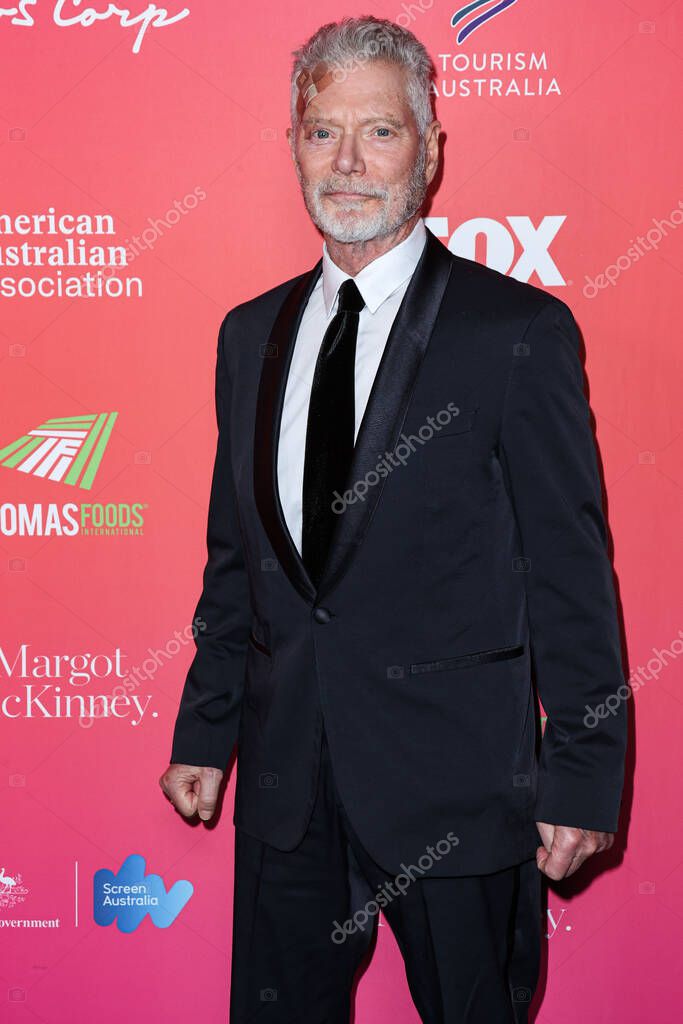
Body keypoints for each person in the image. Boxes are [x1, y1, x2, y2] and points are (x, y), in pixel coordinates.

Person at [160, 16, 627, 1023]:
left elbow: (569, 574)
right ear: (291, 143)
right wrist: (206, 729)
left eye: (378, 131)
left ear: (429, 145)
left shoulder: (514, 334)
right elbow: (236, 560)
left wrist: (583, 775)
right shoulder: (250, 335)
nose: (346, 162)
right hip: (288, 794)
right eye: (321, 131)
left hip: (455, 794)